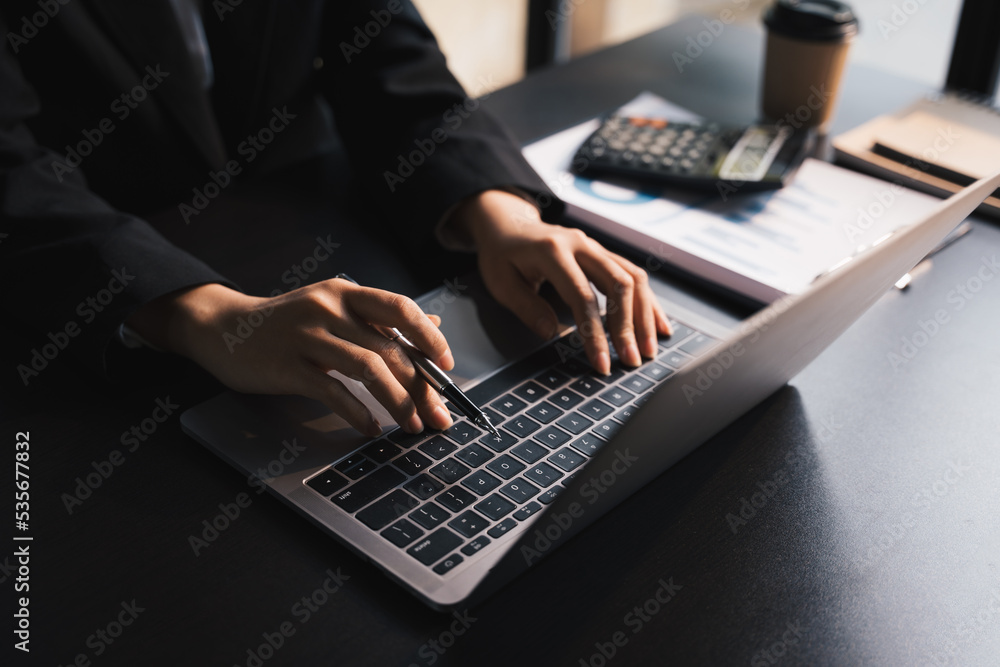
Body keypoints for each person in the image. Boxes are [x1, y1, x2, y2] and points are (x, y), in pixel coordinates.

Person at [0, 0, 670, 437]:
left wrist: (500, 212)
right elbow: (13, 176)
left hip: (301, 224)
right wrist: (205, 315)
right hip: (86, 328)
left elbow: (388, 57)